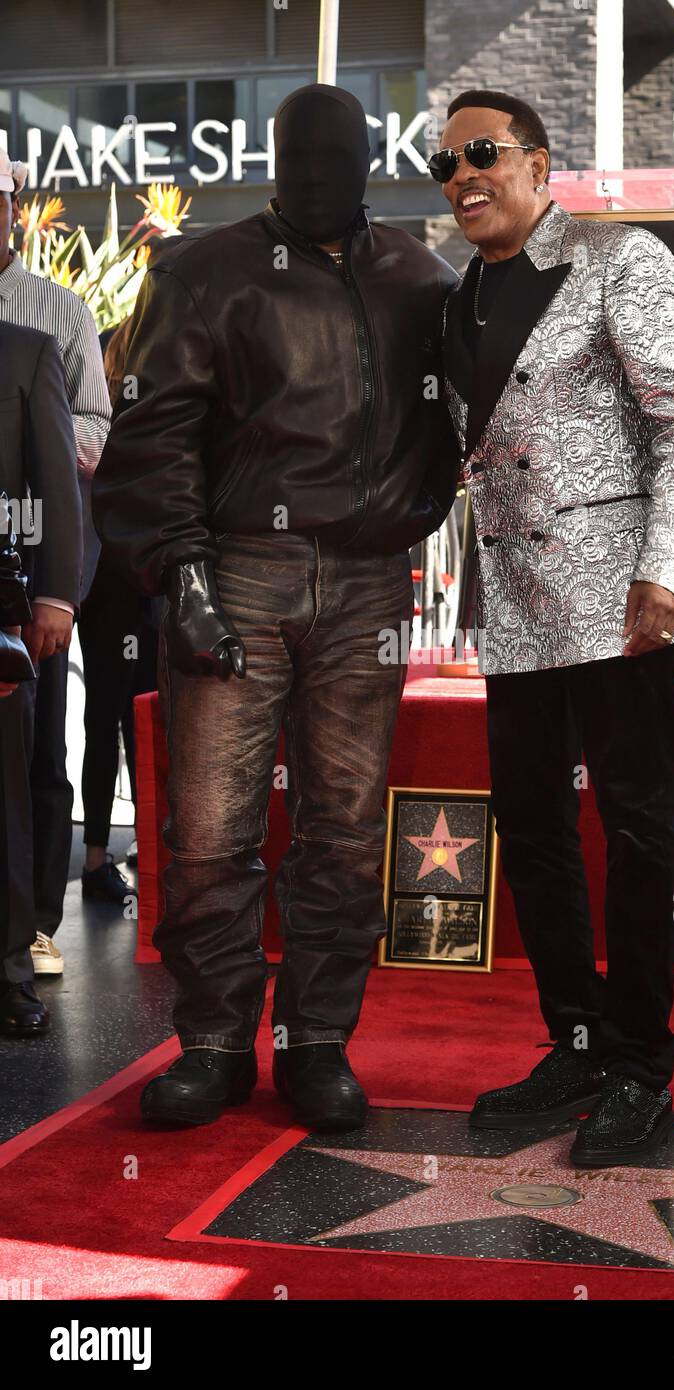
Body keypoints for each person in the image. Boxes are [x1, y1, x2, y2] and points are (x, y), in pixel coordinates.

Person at [93, 84, 460, 1130]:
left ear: (365, 164)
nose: (311, 179)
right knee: (209, 830)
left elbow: (453, 425)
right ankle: (212, 1042)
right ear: (270, 159)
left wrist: (407, 516)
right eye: (293, 158)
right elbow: (152, 435)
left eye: (331, 160)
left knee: (343, 832)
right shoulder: (205, 273)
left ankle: (315, 1042)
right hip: (237, 567)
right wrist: (187, 577)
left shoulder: (417, 279)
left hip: (363, 581)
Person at [436, 90, 674, 1166]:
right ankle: (580, 1038)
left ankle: (642, 1066)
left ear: (538, 162)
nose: (461, 173)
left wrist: (661, 570)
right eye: (443, 162)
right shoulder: (458, 294)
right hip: (511, 609)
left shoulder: (617, 257)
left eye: (481, 152)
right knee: (535, 834)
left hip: (623, 602)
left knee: (637, 835)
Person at [0, 151, 111, 979]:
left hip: (35, 556)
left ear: (14, 207)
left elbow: (98, 428)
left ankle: (35, 920)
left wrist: (34, 444)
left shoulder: (57, 310)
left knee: (39, 751)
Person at [0, 319, 82, 1035]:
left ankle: (8, 975)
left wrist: (55, 594)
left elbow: (57, 481)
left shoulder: (26, 348)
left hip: (0, 611)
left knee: (7, 797)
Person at [77, 317, 143, 909]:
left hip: (127, 569)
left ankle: (106, 854)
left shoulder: (108, 354)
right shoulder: (120, 356)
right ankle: (104, 855)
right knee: (127, 716)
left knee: (120, 716)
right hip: (122, 570)